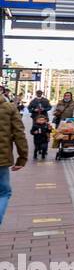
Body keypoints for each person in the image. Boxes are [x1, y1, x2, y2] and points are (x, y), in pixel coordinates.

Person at [0, 91, 28, 224]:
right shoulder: (10, 108)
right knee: (3, 193)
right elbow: (19, 134)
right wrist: (22, 158)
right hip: (1, 159)